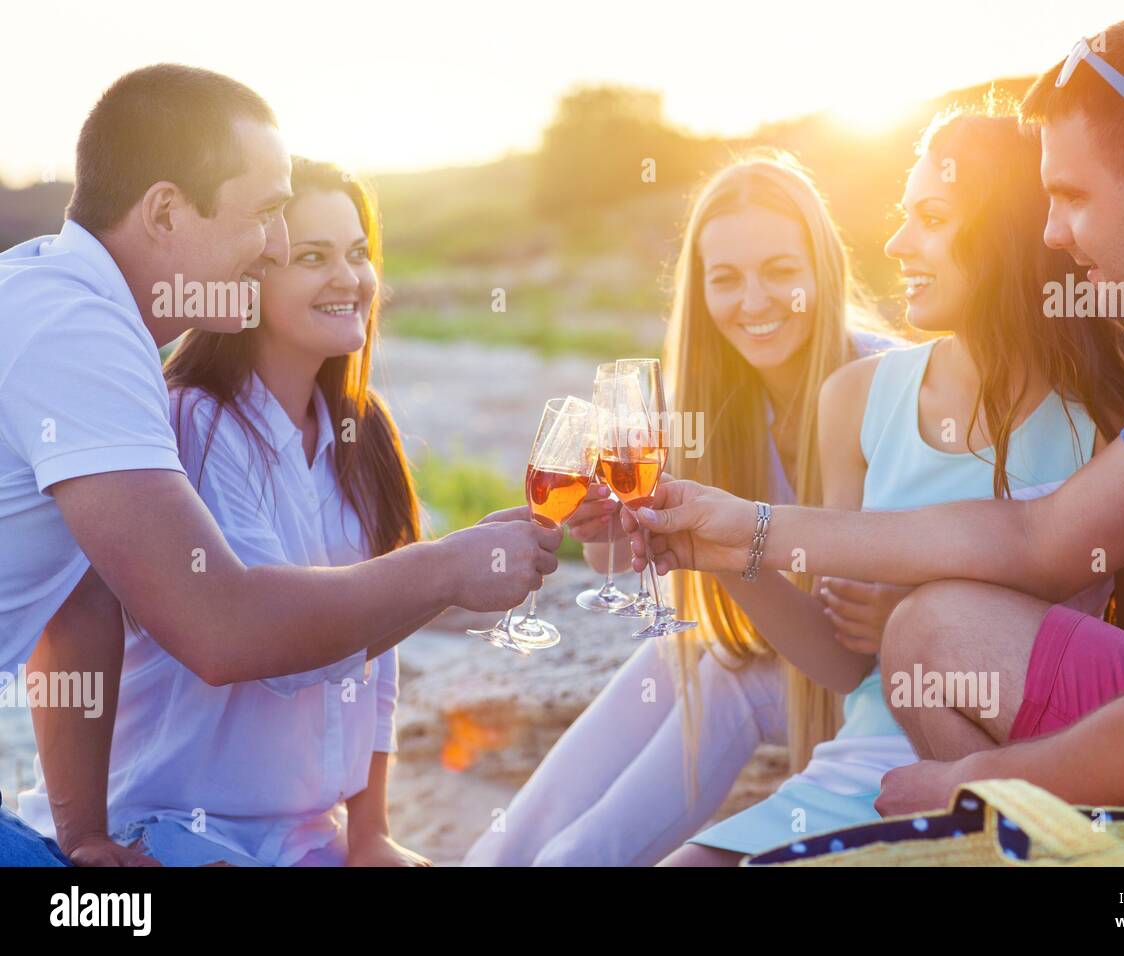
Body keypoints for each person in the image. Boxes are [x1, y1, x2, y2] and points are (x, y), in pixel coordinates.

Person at [624, 11, 1124, 816]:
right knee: (930, 630)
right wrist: (746, 527)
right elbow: (1040, 538)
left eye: (1071, 197)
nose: (1050, 231)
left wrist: (962, 790)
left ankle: (1012, 835)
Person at [0, 65, 558, 866]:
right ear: (164, 210)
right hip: (185, 824)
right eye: (266, 214)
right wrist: (443, 570)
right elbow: (221, 628)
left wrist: (83, 835)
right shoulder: (77, 331)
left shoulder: (89, 321)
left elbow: (80, 601)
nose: (280, 246)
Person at [661, 100, 1124, 865]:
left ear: (1007, 232)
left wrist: (920, 616)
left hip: (1028, 775)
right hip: (862, 768)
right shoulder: (858, 398)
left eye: (931, 215)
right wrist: (724, 555)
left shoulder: (1112, 418)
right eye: (903, 214)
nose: (896, 243)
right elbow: (839, 665)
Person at [464, 151, 901, 866]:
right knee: (677, 656)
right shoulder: (708, 397)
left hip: (868, 682)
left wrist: (723, 556)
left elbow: (851, 645)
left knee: (719, 674)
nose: (753, 301)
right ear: (698, 290)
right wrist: (600, 528)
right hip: (758, 646)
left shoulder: (887, 383)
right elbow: (632, 560)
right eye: (725, 278)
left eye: (780, 271)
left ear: (823, 268)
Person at [21, 159, 433, 866]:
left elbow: (377, 647)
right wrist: (443, 574)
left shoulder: (363, 431)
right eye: (312, 257)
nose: (349, 278)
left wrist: (370, 832)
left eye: (358, 252)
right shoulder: (192, 424)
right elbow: (268, 650)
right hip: (172, 830)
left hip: (309, 835)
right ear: (254, 269)